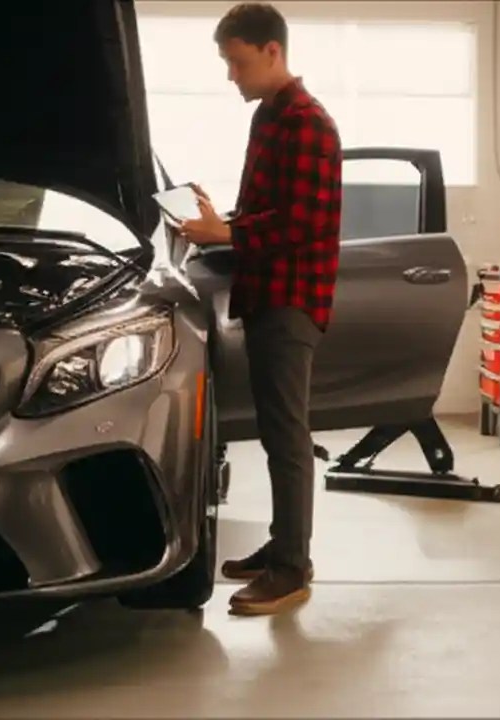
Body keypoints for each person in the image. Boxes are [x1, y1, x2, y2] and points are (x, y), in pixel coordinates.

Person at [179, 2, 343, 616]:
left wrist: (226, 235)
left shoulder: (309, 123)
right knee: (278, 433)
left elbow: (304, 223)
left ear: (272, 51)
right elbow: (270, 209)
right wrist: (222, 219)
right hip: (265, 292)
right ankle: (282, 544)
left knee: (286, 435)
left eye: (237, 61)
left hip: (290, 298)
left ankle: (291, 570)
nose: (231, 76)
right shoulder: (270, 118)